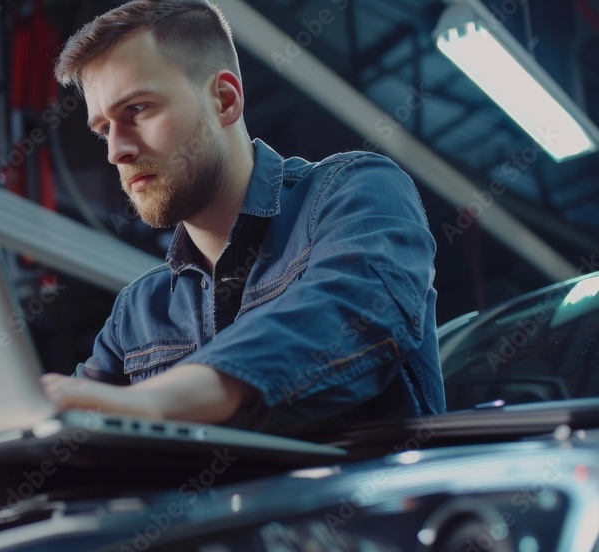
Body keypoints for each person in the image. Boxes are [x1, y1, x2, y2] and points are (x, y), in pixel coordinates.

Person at [39, 0, 445, 435]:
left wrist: (155, 402)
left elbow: (352, 315)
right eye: (103, 129)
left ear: (225, 100)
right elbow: (70, 428)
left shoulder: (354, 190)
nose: (116, 150)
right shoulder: (136, 314)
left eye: (136, 110)